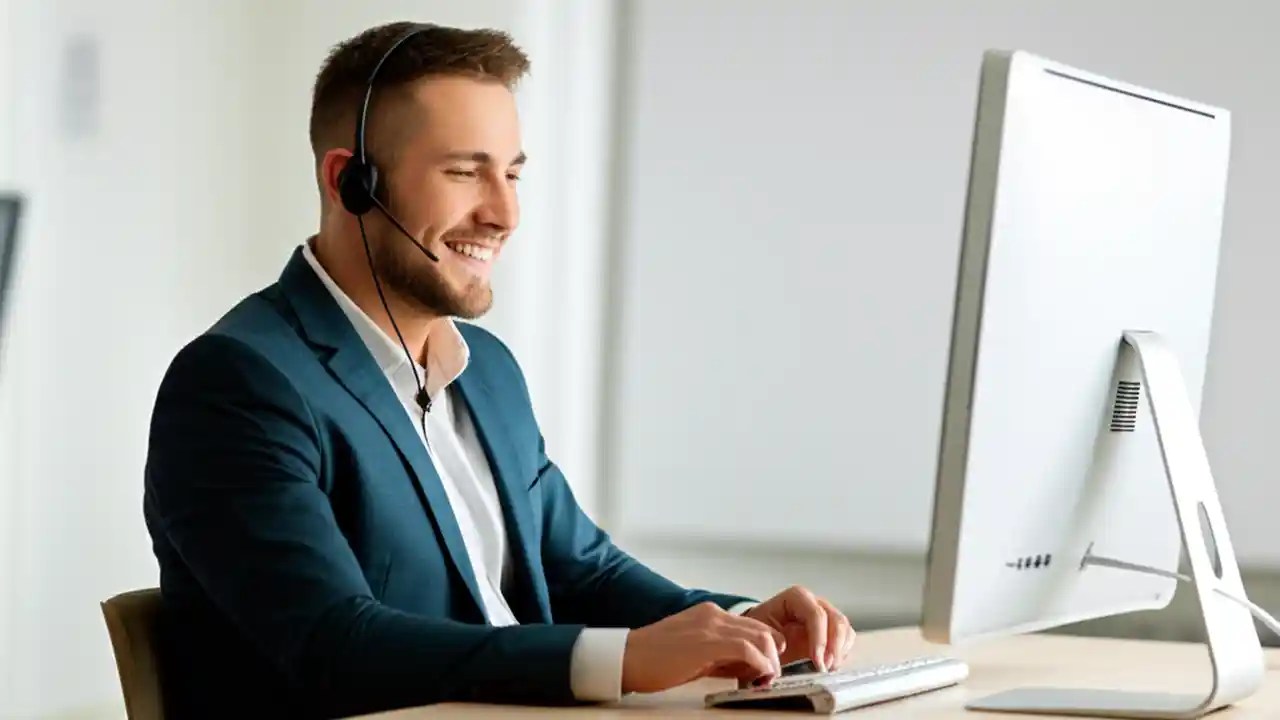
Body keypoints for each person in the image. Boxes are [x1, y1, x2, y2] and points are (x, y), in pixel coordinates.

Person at [143, 20, 854, 719]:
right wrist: (624, 658)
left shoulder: (487, 371)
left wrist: (740, 625)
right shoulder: (238, 384)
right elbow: (336, 646)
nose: (504, 212)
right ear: (349, 181)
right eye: (464, 171)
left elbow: (582, 570)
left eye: (512, 173)